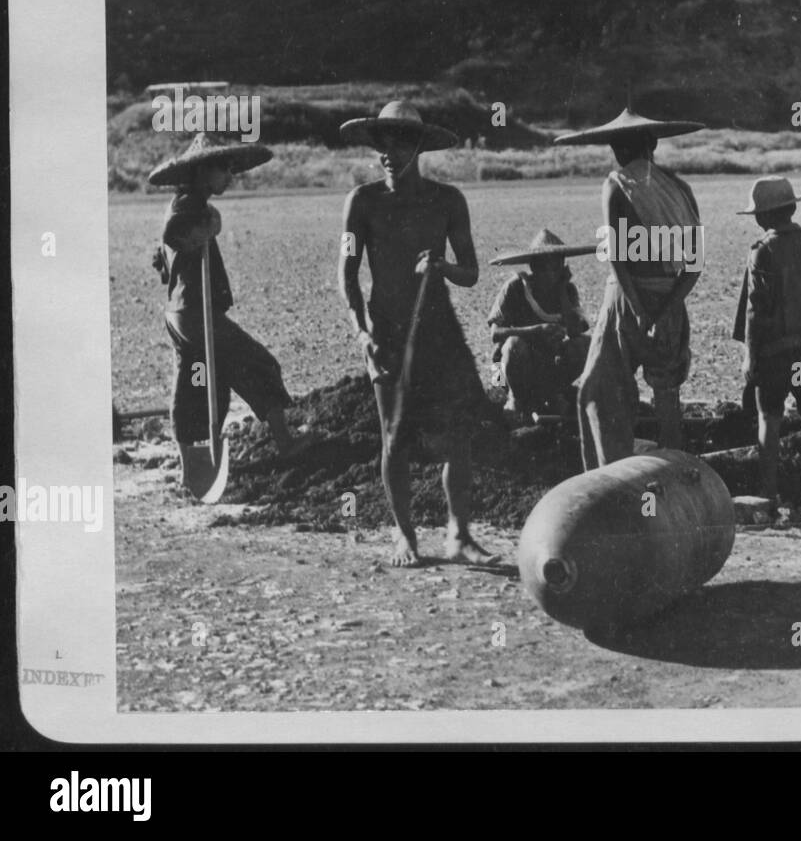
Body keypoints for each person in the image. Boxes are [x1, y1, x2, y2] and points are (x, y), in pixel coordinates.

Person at [337, 101, 497, 567]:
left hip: (439, 330)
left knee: (459, 438)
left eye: (401, 142)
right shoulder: (361, 202)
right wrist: (361, 332)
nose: (389, 152)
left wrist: (442, 265)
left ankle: (459, 534)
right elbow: (346, 276)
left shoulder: (448, 201)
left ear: (420, 147)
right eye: (383, 143)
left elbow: (470, 272)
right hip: (386, 330)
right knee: (394, 437)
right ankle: (405, 536)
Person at [553, 108, 705, 469]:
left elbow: (616, 260)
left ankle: (608, 476)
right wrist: (665, 310)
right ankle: (673, 475)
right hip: (669, 299)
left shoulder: (615, 185)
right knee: (667, 396)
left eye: (622, 145)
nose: (619, 152)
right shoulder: (680, 188)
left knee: (598, 392)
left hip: (625, 300)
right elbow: (694, 265)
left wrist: (637, 309)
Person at [148, 133, 311, 461]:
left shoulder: (191, 202)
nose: (230, 176)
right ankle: (285, 443)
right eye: (224, 169)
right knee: (258, 364)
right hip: (194, 313)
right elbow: (173, 235)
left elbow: (162, 256)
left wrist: (208, 223)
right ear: (202, 170)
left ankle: (191, 464)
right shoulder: (188, 205)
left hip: (181, 312)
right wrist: (208, 227)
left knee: (201, 378)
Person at [732, 177, 801, 507]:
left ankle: (768, 491)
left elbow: (755, 311)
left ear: (762, 218)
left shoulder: (762, 252)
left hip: (776, 356)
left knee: (769, 419)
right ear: (792, 209)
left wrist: (750, 356)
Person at [486, 229, 594, 417]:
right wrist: (535, 331)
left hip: (546, 363)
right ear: (534, 267)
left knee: (586, 345)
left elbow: (576, 332)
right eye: (545, 267)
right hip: (506, 370)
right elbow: (495, 334)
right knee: (514, 345)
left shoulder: (567, 291)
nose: (551, 273)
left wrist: (562, 291)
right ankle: (515, 399)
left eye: (556, 267)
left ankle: (552, 393)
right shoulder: (515, 287)